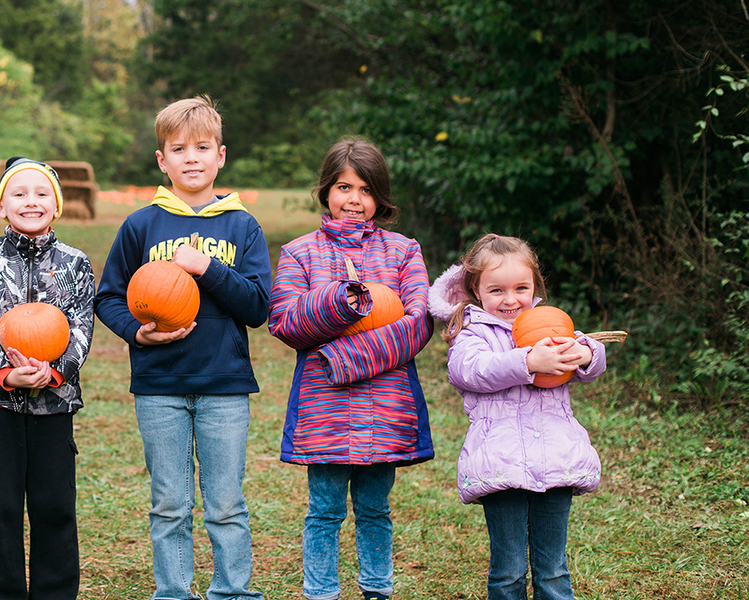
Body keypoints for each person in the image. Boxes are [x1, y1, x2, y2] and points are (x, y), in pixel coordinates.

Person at [95, 95, 271, 600]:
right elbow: (108, 297)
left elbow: (257, 306)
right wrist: (136, 332)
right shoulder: (141, 225)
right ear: (162, 160)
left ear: (220, 155)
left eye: (202, 147)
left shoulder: (242, 225)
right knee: (169, 502)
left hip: (224, 383)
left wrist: (208, 268)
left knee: (225, 503)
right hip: (159, 384)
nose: (191, 158)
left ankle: (232, 592)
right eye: (178, 149)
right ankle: (172, 592)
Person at [267, 139, 434, 600]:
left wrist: (339, 357)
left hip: (386, 408)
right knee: (324, 511)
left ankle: (377, 589)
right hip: (323, 409)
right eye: (344, 187)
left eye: (366, 189)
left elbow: (418, 322)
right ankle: (320, 592)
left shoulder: (403, 252)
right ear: (326, 190)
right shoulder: (299, 253)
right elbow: (285, 321)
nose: (354, 199)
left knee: (375, 510)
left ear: (380, 196)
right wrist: (339, 302)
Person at [428, 233, 604, 600]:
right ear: (477, 291)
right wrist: (528, 361)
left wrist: (586, 353)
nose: (511, 300)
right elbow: (470, 370)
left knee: (553, 570)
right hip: (501, 467)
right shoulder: (472, 333)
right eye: (497, 290)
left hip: (555, 462)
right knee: (508, 571)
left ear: (534, 286)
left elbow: (590, 357)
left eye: (521, 288)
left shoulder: (550, 325)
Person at [0, 157, 95, 600]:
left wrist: (52, 373)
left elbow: (81, 328)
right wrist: (6, 373)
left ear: (57, 206)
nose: (30, 201)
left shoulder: (75, 263)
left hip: (54, 404)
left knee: (54, 505)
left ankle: (54, 594)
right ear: (2, 206)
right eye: (18, 193)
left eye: (42, 194)